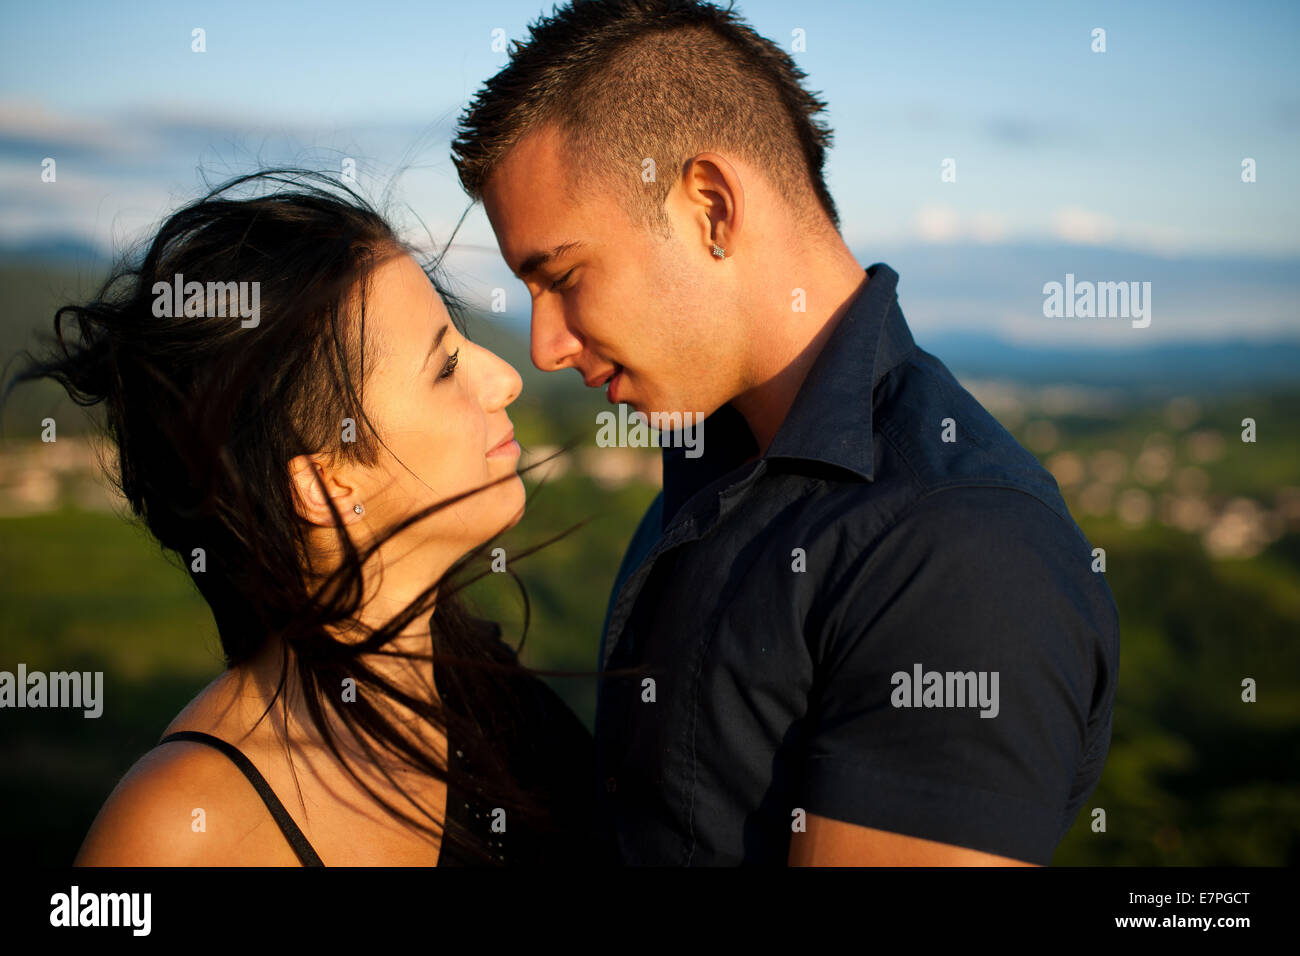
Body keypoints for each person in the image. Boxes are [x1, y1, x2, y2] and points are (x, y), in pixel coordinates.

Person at [450, 0, 1121, 865]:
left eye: (565, 275)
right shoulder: (718, 471)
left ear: (711, 208)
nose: (545, 346)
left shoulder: (959, 548)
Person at [8, 169, 598, 866]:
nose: (505, 377)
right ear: (322, 484)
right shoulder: (174, 837)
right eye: (444, 368)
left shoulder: (494, 694)